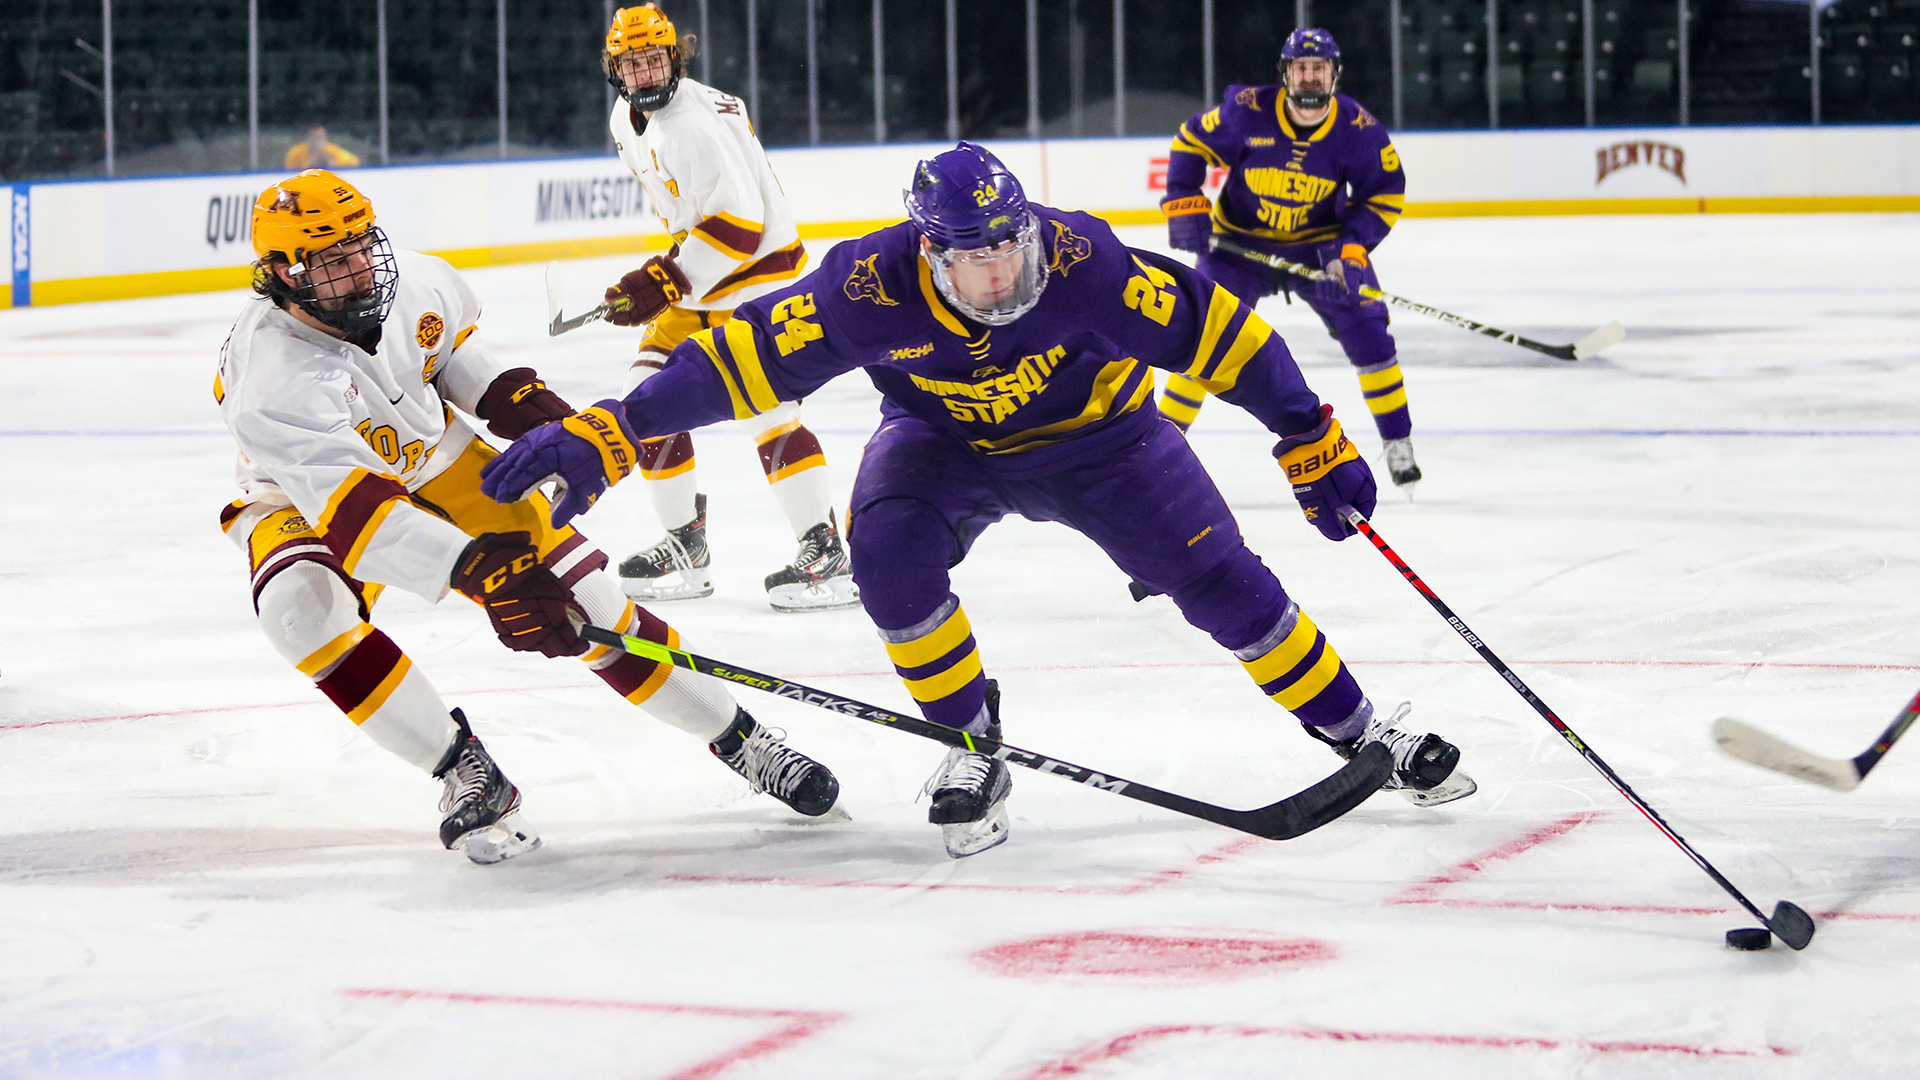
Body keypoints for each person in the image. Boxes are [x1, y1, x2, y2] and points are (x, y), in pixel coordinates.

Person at [480, 143, 1476, 860]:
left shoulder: (1086, 264)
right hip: (945, 445)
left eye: (1011, 247)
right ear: (930, 251)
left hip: (1107, 445)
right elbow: (742, 360)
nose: (1002, 273)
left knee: (1222, 582)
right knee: (886, 560)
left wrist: (1307, 431)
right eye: (976, 258)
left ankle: (1361, 733)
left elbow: (1222, 335)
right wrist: (615, 428)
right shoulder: (866, 287)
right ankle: (968, 742)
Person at [214, 169, 841, 864]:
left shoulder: (416, 282)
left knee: (592, 605)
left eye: (364, 246)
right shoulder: (269, 378)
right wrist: (483, 572)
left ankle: (741, 738)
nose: (362, 269)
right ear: (284, 273)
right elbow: (358, 512)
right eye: (336, 260)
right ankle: (460, 765)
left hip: (437, 457)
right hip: (301, 497)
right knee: (300, 610)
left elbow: (449, 356)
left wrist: (526, 408)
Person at [596, 4, 855, 612]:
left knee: (767, 414)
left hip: (758, 285)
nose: (644, 73)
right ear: (615, 70)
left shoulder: (690, 125)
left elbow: (740, 226)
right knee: (643, 405)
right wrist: (667, 275)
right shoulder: (626, 119)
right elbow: (695, 214)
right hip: (703, 282)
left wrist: (665, 279)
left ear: (675, 57)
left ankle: (825, 552)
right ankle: (686, 546)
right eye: (632, 64)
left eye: (654, 59)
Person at [1158, 28, 1422, 491]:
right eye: (1301, 68)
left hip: (1320, 251)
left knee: (1369, 332)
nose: (1310, 77)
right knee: (1202, 337)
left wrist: (1351, 250)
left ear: (1335, 74)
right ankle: (1161, 443)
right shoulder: (1248, 112)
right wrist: (1183, 199)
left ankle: (1398, 441)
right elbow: (1190, 142)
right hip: (1239, 249)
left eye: (1319, 68)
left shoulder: (1359, 130)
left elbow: (1384, 194)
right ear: (1285, 73)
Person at [284, 125, 361, 170]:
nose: (317, 140)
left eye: (320, 137)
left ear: (325, 137)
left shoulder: (333, 149)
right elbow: (289, 168)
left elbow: (353, 160)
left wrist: (334, 163)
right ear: (308, 137)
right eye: (314, 137)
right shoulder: (296, 151)